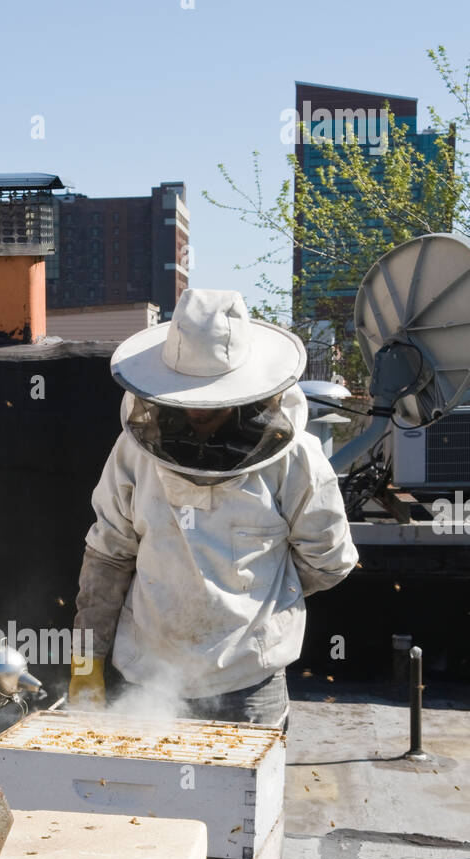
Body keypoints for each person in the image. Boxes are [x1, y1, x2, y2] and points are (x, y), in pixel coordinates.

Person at [69, 288, 359, 729]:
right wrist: (87, 660)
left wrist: (259, 597)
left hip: (248, 683)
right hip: (146, 675)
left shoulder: (296, 458)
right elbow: (108, 556)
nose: (196, 411)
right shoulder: (133, 451)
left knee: (243, 797)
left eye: (211, 399)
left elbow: (329, 560)